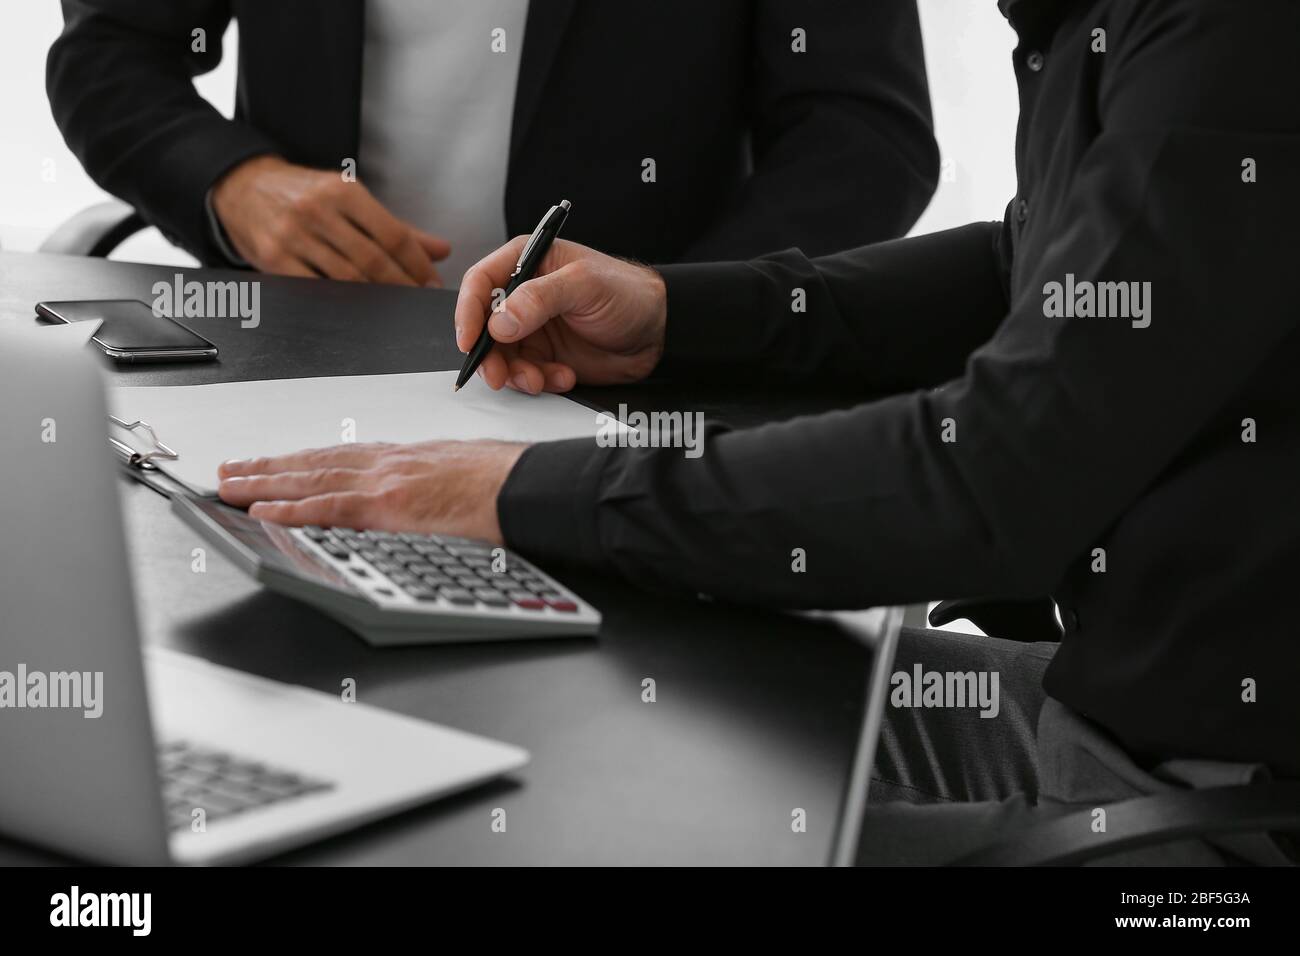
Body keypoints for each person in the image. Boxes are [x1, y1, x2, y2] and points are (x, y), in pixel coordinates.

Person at [217, 0, 1300, 864]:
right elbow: (1025, 264)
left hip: (1204, 808)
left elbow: (995, 476)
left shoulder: (1231, 38)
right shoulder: (1114, 30)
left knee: (555, 820)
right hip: (1104, 704)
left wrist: (515, 491)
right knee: (581, 695)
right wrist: (672, 315)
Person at [47, 0, 938, 287]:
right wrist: (233, 183)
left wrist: (683, 310)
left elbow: (864, 134)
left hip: (632, 395)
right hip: (298, 348)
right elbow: (110, 50)